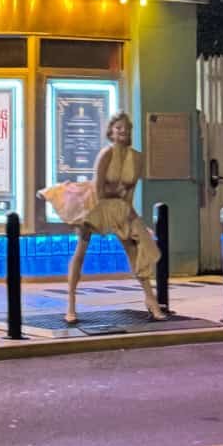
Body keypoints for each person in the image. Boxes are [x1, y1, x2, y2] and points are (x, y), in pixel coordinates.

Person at [38, 111, 164, 324]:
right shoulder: (106, 154)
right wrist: (117, 192)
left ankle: (151, 300)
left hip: (120, 207)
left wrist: (128, 208)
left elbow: (130, 190)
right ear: (111, 132)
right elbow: (100, 190)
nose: (123, 131)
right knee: (81, 250)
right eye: (118, 128)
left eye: (126, 128)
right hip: (95, 205)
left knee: (137, 248)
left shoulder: (137, 157)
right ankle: (70, 304)